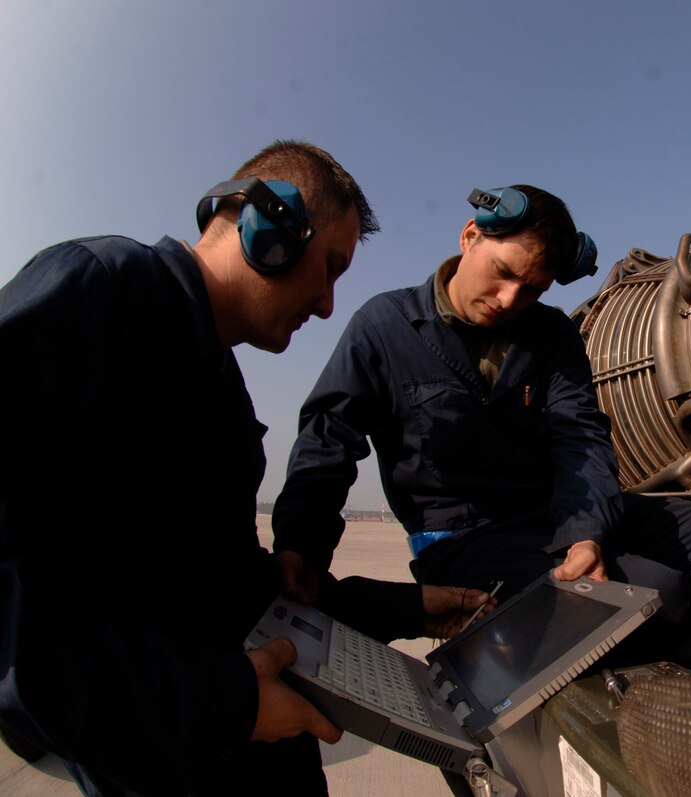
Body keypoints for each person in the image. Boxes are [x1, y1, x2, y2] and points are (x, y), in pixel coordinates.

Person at [0, 140, 493, 796]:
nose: (325, 303)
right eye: (330, 267)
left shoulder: (221, 388)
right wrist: (227, 702)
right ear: (271, 228)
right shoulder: (102, 288)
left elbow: (230, 600)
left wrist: (413, 608)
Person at [272, 184, 691, 663]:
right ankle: (585, 677)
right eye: (504, 273)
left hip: (550, 518)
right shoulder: (384, 325)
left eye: (532, 288)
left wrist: (585, 532)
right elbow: (329, 438)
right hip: (463, 541)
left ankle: (590, 647)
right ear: (470, 236)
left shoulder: (552, 336)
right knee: (663, 593)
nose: (510, 298)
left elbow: (581, 438)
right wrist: (300, 543)